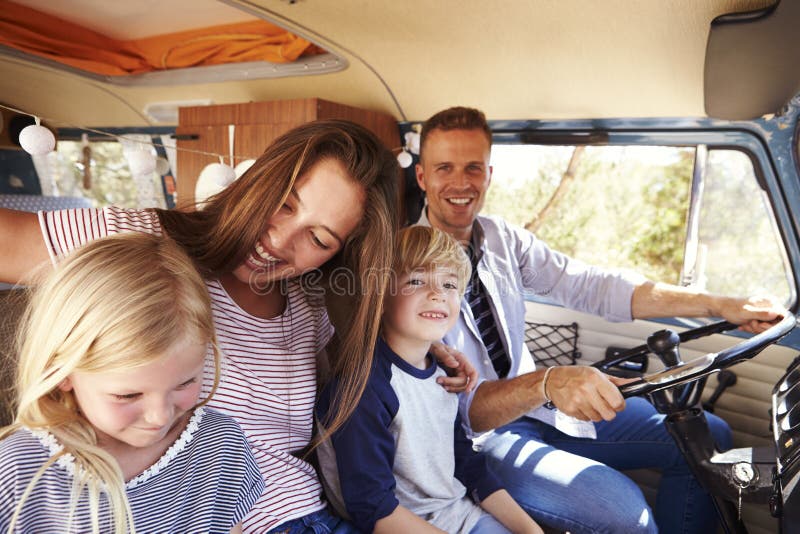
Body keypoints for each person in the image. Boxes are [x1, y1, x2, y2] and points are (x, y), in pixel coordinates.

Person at [0, 119, 473, 533]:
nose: (279, 240)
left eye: (318, 238)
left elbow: (367, 367)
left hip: (324, 513)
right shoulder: (141, 242)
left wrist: (429, 351)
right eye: (285, 204)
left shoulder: (312, 302)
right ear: (261, 179)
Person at [413, 107, 786, 534]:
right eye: (445, 168)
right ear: (423, 177)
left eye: (473, 168)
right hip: (483, 442)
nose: (461, 183)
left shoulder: (502, 239)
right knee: (631, 519)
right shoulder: (403, 267)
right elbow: (462, 411)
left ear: (489, 174)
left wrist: (720, 304)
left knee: (709, 437)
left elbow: (594, 285)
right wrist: (547, 382)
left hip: (543, 411)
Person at [0, 233, 264, 533]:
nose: (160, 416)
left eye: (185, 383)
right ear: (62, 373)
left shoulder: (221, 445)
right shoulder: (18, 470)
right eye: (128, 395)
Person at [316, 226, 542, 534]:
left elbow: (467, 465)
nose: (437, 293)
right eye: (417, 281)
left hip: (458, 514)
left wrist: (531, 531)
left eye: (449, 284)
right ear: (380, 295)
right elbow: (373, 507)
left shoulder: (445, 375)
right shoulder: (364, 387)